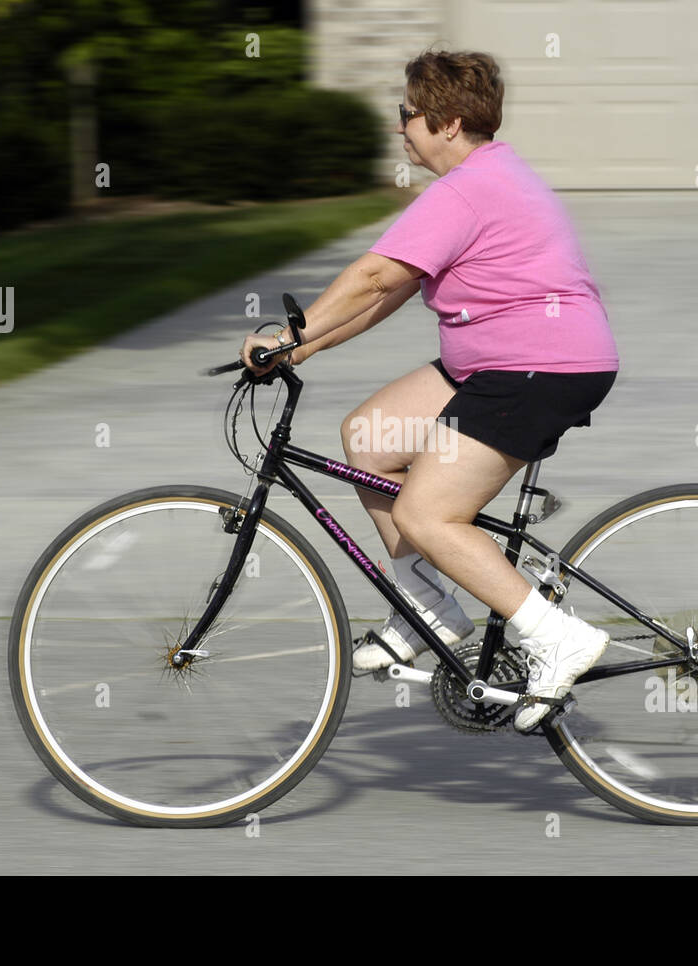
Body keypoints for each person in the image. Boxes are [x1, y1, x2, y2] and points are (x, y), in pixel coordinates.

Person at [240, 49, 619, 731]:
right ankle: (430, 608)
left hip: (538, 366)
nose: (399, 127)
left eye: (407, 114)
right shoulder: (483, 179)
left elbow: (373, 277)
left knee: (426, 514)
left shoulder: (467, 190)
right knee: (369, 437)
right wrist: (308, 346)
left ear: (446, 121)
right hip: (499, 362)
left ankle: (555, 635)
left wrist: (286, 339)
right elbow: (397, 287)